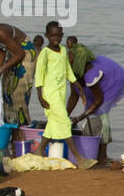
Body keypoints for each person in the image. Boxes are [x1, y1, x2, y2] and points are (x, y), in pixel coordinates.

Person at [34, 21, 92, 166]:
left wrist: (80, 89)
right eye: (53, 35)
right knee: (65, 122)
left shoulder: (64, 51)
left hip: (61, 93)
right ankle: (79, 158)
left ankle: (40, 150)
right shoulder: (45, 54)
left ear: (62, 36)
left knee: (54, 123)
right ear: (47, 36)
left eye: (59, 35)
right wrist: (40, 97)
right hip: (49, 94)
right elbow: (39, 76)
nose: (56, 38)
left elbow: (69, 72)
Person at [71, 54, 124, 165]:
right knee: (91, 118)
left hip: (109, 86)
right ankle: (94, 153)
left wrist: (80, 117)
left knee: (102, 116)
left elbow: (99, 101)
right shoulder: (74, 78)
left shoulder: (92, 76)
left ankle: (102, 156)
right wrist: (65, 116)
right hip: (95, 92)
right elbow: (73, 97)